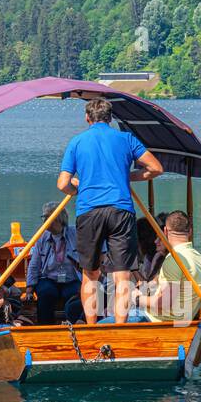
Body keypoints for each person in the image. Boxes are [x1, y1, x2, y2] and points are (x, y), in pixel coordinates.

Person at [57, 98, 163, 324]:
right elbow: (156, 168)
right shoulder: (126, 139)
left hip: (89, 211)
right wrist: (129, 177)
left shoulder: (76, 142)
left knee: (90, 273)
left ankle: (92, 326)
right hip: (120, 210)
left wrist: (78, 187)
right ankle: (119, 327)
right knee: (122, 274)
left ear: (87, 118)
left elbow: (62, 183)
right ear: (111, 117)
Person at [141, 211, 201, 323]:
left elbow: (164, 303)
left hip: (157, 324)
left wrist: (136, 298)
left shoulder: (173, 260)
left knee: (105, 322)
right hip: (182, 322)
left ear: (165, 231)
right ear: (190, 232)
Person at [25, 201, 83, 325]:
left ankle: (74, 329)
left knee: (74, 296)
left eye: (46, 217)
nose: (44, 220)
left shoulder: (75, 234)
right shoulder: (42, 237)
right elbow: (34, 264)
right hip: (48, 278)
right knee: (46, 293)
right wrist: (29, 288)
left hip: (71, 279)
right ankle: (45, 329)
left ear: (58, 218)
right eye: (43, 217)